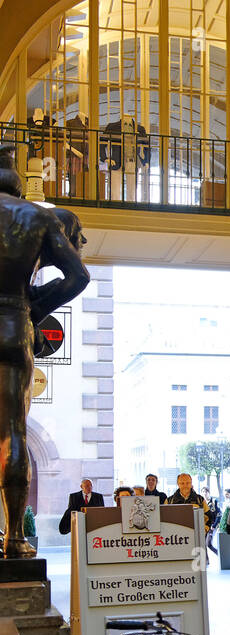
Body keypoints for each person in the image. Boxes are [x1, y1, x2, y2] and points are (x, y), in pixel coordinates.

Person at [0, 148, 89, 556]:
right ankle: (16, 537)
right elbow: (78, 275)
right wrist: (36, 306)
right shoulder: (37, 218)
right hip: (15, 324)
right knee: (15, 431)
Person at [203, 486, 220, 555]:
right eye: (203, 492)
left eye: (206, 492)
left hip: (212, 526)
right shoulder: (203, 503)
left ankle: (219, 554)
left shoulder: (214, 501)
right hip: (205, 526)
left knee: (208, 543)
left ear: (208, 492)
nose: (204, 493)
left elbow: (219, 514)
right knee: (204, 543)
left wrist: (214, 525)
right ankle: (206, 560)